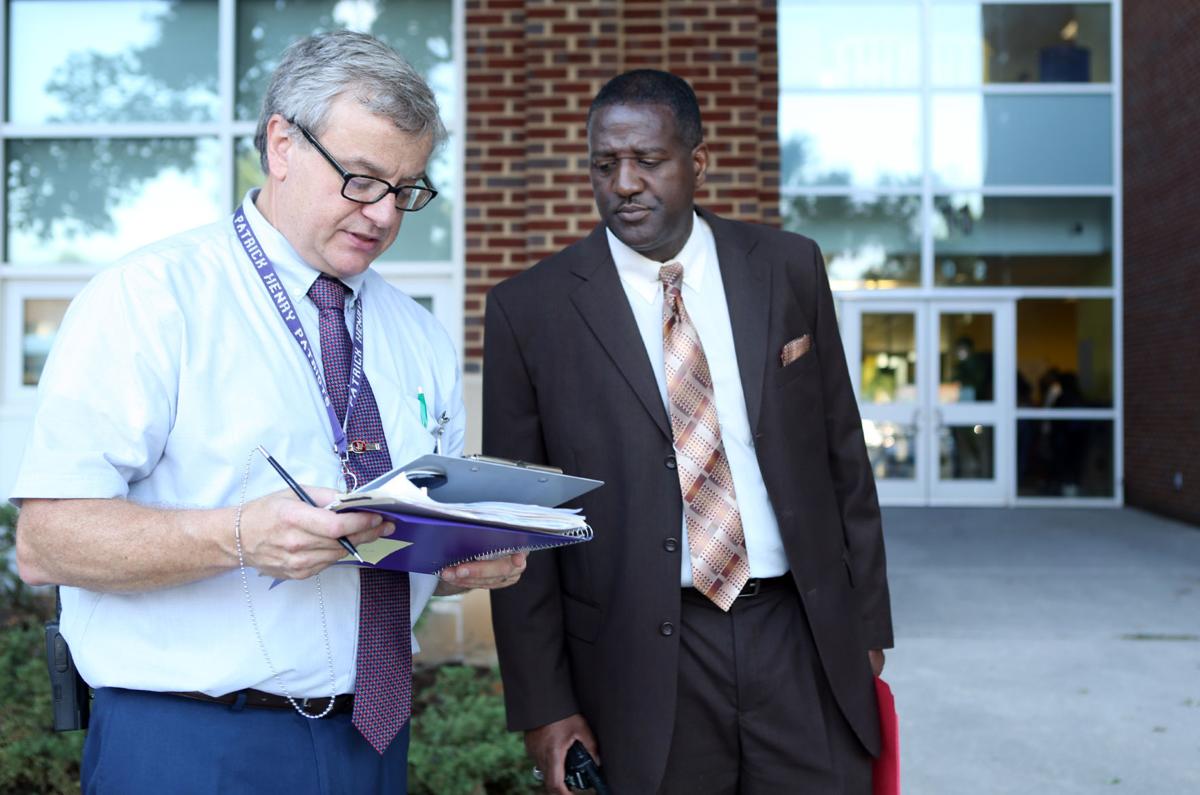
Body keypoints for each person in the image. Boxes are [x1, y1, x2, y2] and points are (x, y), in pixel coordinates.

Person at [12, 31, 524, 794]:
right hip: (188, 742)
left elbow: (371, 544)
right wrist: (241, 536)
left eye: (408, 188)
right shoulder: (152, 298)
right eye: (361, 179)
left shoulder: (418, 335)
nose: (384, 214)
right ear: (281, 143)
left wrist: (449, 559)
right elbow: (45, 543)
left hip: (373, 740)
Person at [484, 70, 894, 793]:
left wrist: (865, 625)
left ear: (697, 162)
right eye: (605, 165)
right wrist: (546, 707)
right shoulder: (530, 310)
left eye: (648, 160)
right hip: (639, 657)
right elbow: (520, 523)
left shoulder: (788, 268)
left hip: (798, 633)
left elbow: (842, 456)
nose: (625, 182)